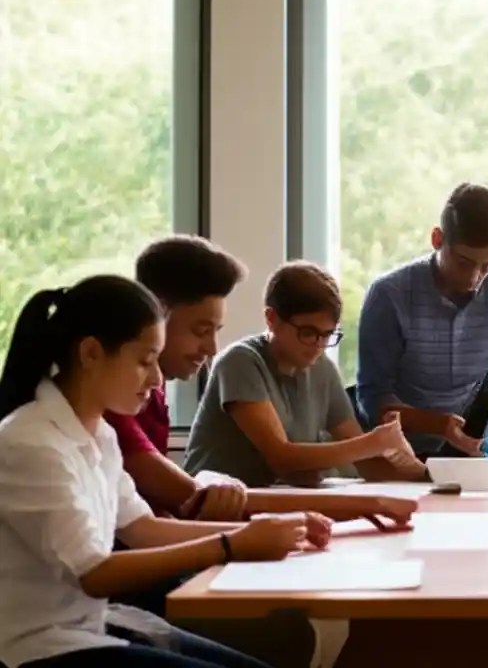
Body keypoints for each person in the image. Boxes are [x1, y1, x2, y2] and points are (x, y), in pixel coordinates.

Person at [0, 275, 333, 668]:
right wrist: (232, 544)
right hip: (39, 649)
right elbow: (94, 573)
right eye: (144, 361)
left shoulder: (99, 434)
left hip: (91, 628)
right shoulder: (30, 442)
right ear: (91, 353)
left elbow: (143, 529)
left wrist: (273, 529)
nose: (156, 379)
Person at [107, 236, 415, 523]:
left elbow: (157, 519)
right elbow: (194, 497)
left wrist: (421, 473)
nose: (212, 349)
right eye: (201, 331)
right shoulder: (116, 400)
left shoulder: (152, 391)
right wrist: (366, 500)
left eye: (327, 336)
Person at [356, 183, 488, 459]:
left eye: (487, 265)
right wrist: (440, 425)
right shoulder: (389, 296)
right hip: (399, 448)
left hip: (473, 443)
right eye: (464, 263)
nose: (475, 278)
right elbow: (373, 399)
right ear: (437, 239)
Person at [185, 261, 424, 488]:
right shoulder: (240, 362)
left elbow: (366, 464)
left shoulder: (323, 369)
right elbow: (281, 457)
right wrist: (373, 443)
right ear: (271, 319)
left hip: (279, 502)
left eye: (327, 335)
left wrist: (420, 471)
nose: (318, 346)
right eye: (308, 333)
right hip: (215, 502)